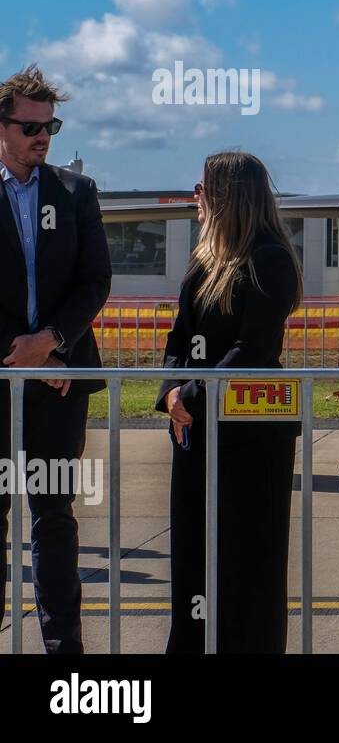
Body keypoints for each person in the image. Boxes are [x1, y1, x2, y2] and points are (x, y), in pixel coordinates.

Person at [156, 151, 302, 653]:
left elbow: (254, 349)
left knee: (248, 561)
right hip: (196, 429)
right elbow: (180, 339)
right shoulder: (204, 260)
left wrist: (191, 396)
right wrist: (171, 391)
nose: (195, 197)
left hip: (250, 434)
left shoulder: (271, 259)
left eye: (201, 189)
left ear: (226, 196)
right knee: (193, 558)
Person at [0, 65, 111, 654]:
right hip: (3, 376)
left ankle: (64, 652)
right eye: (29, 127)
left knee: (54, 515)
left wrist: (53, 344)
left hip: (61, 381)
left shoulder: (76, 192)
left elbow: (96, 281)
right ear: (2, 126)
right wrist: (18, 354)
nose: (42, 137)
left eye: (51, 126)